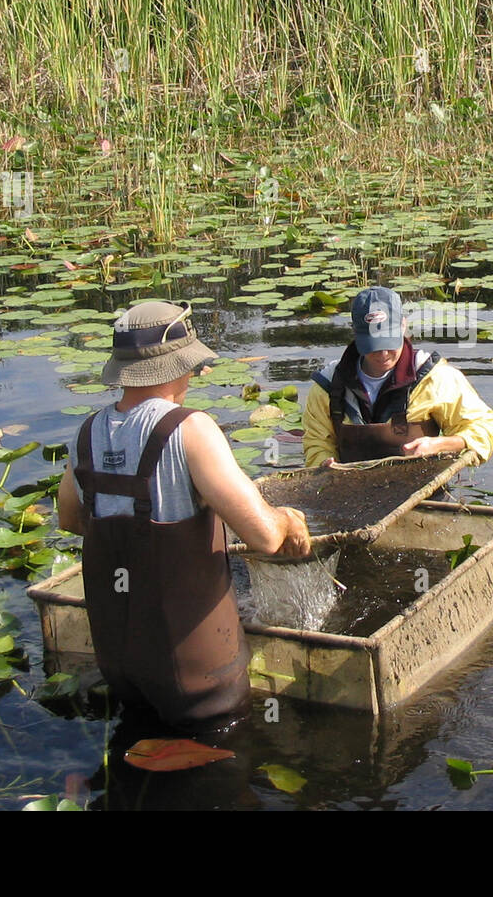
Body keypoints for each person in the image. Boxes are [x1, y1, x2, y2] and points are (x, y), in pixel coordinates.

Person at [57, 300, 310, 730]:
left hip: (119, 665)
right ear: (176, 366)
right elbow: (264, 537)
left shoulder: (87, 435)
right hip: (200, 677)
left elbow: (70, 520)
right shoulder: (190, 429)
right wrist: (287, 517)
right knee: (217, 776)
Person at [302, 286, 493, 467]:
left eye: (389, 342)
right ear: (355, 332)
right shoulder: (328, 386)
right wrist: (324, 466)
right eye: (373, 345)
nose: (383, 354)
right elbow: (316, 443)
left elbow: (481, 431)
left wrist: (441, 444)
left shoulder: (436, 377)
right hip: (347, 495)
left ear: (403, 326)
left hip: (424, 495)